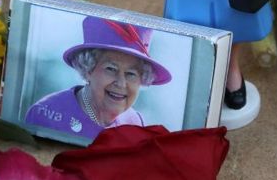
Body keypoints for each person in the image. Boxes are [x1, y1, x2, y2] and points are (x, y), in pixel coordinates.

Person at [25, 16, 172, 139]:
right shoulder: (46, 114)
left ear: (142, 79)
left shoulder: (135, 123)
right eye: (111, 69)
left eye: (131, 74)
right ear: (88, 69)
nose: (121, 83)